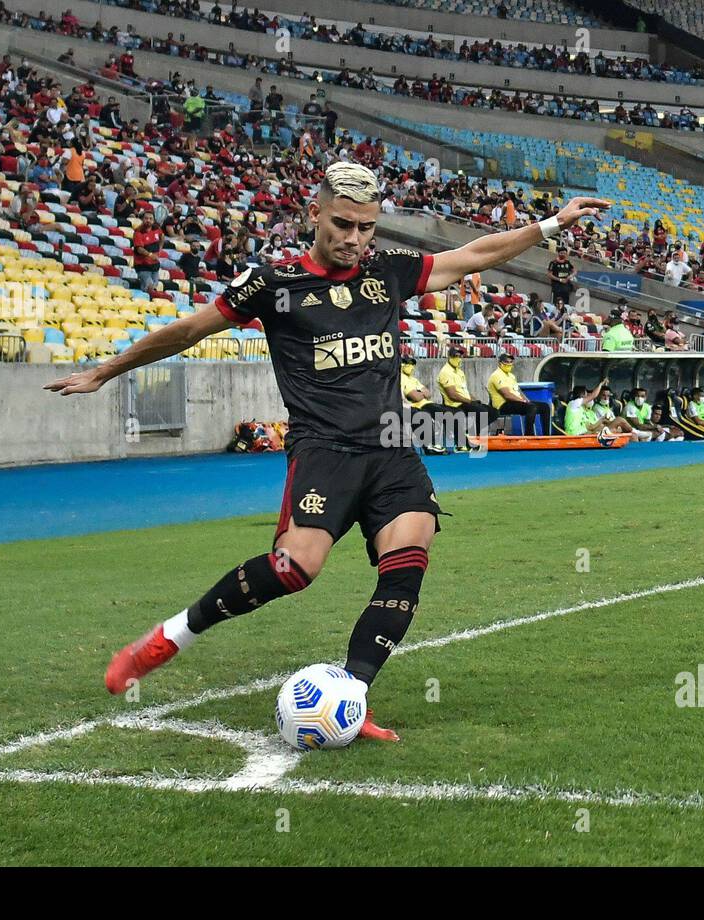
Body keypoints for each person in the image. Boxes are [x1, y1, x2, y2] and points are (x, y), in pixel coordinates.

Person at [44, 161, 610, 740]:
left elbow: (472, 256)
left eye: (366, 227)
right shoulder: (272, 284)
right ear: (314, 214)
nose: (355, 238)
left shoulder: (385, 272)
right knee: (296, 569)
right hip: (323, 452)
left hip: (391, 449)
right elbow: (189, 331)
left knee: (408, 562)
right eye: (343, 224)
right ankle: (170, 636)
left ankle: (350, 695)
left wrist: (550, 225)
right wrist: (108, 371)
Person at [436, 344, 496, 441]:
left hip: (465, 401)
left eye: (460, 356)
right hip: (455, 404)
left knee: (493, 412)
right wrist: (469, 401)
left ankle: (472, 434)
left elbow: (465, 391)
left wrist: (474, 400)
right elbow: (452, 395)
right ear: (449, 357)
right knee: (482, 412)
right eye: (455, 356)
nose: (458, 359)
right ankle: (475, 438)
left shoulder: (460, 372)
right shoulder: (445, 372)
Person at [487, 352, 551, 435]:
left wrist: (526, 400)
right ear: (500, 363)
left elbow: (518, 391)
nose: (509, 364)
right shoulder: (496, 375)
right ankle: (529, 435)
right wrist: (522, 401)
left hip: (515, 402)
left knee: (545, 407)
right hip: (503, 405)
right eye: (507, 362)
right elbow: (507, 395)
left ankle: (546, 435)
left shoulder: (511, 376)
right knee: (531, 408)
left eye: (511, 362)